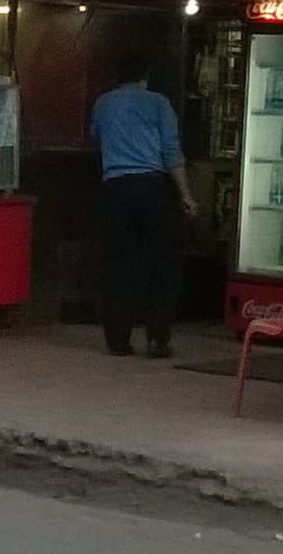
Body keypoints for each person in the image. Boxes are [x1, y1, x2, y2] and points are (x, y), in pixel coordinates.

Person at [90, 51, 200, 358]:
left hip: (114, 187)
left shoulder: (103, 103)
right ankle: (157, 338)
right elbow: (171, 152)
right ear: (145, 77)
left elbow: (96, 137)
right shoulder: (158, 103)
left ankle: (117, 339)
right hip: (153, 187)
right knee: (162, 264)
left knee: (117, 264)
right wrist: (186, 196)